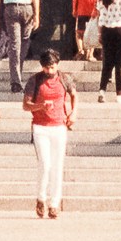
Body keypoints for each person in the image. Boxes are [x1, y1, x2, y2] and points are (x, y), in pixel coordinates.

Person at [25, 49, 76, 219]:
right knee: (45, 164)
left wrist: (73, 112)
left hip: (59, 126)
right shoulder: (35, 80)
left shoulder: (64, 78)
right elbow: (26, 105)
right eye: (46, 68)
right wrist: (40, 106)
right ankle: (41, 197)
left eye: (52, 67)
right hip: (41, 127)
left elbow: (74, 95)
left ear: (57, 65)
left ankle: (54, 203)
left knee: (57, 166)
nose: (49, 71)